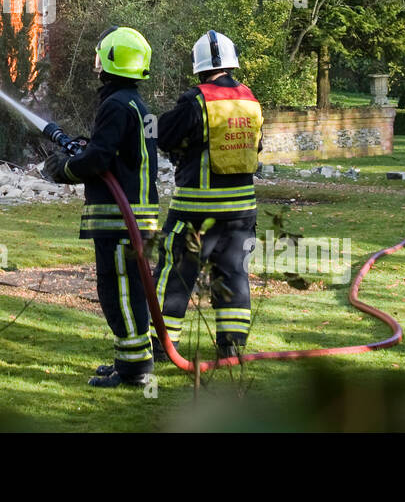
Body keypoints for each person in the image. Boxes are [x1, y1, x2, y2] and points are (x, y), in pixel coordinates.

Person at [42, 26, 160, 387]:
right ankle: (130, 361)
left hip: (118, 218)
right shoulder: (137, 105)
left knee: (117, 289)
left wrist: (62, 169)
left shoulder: (115, 105)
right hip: (137, 217)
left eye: (100, 56)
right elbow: (113, 154)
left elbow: (98, 161)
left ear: (109, 60)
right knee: (131, 289)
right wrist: (85, 147)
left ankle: (134, 369)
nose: (96, 63)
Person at [153, 30, 263, 360]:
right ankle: (231, 348)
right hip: (242, 212)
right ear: (232, 64)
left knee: (176, 274)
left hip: (196, 211)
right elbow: (256, 146)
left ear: (198, 68)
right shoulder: (251, 101)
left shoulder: (195, 100)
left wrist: (182, 145)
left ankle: (162, 345)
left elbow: (163, 133)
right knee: (233, 274)